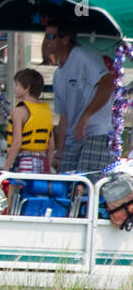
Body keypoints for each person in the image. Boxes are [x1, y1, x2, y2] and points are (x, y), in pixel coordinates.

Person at [46, 22, 115, 176]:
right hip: (72, 139)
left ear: (65, 39)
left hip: (96, 133)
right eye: (46, 36)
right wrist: (59, 153)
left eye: (51, 36)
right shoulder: (58, 74)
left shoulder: (82, 55)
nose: (47, 41)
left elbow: (108, 84)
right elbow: (63, 117)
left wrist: (86, 116)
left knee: (87, 186)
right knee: (66, 187)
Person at [3, 68, 53, 176]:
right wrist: (48, 168)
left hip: (25, 161)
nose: (14, 88)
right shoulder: (46, 111)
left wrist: (5, 169)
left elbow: (17, 142)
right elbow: (51, 145)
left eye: (16, 84)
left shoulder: (19, 111)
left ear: (26, 88)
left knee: (18, 192)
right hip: (42, 162)